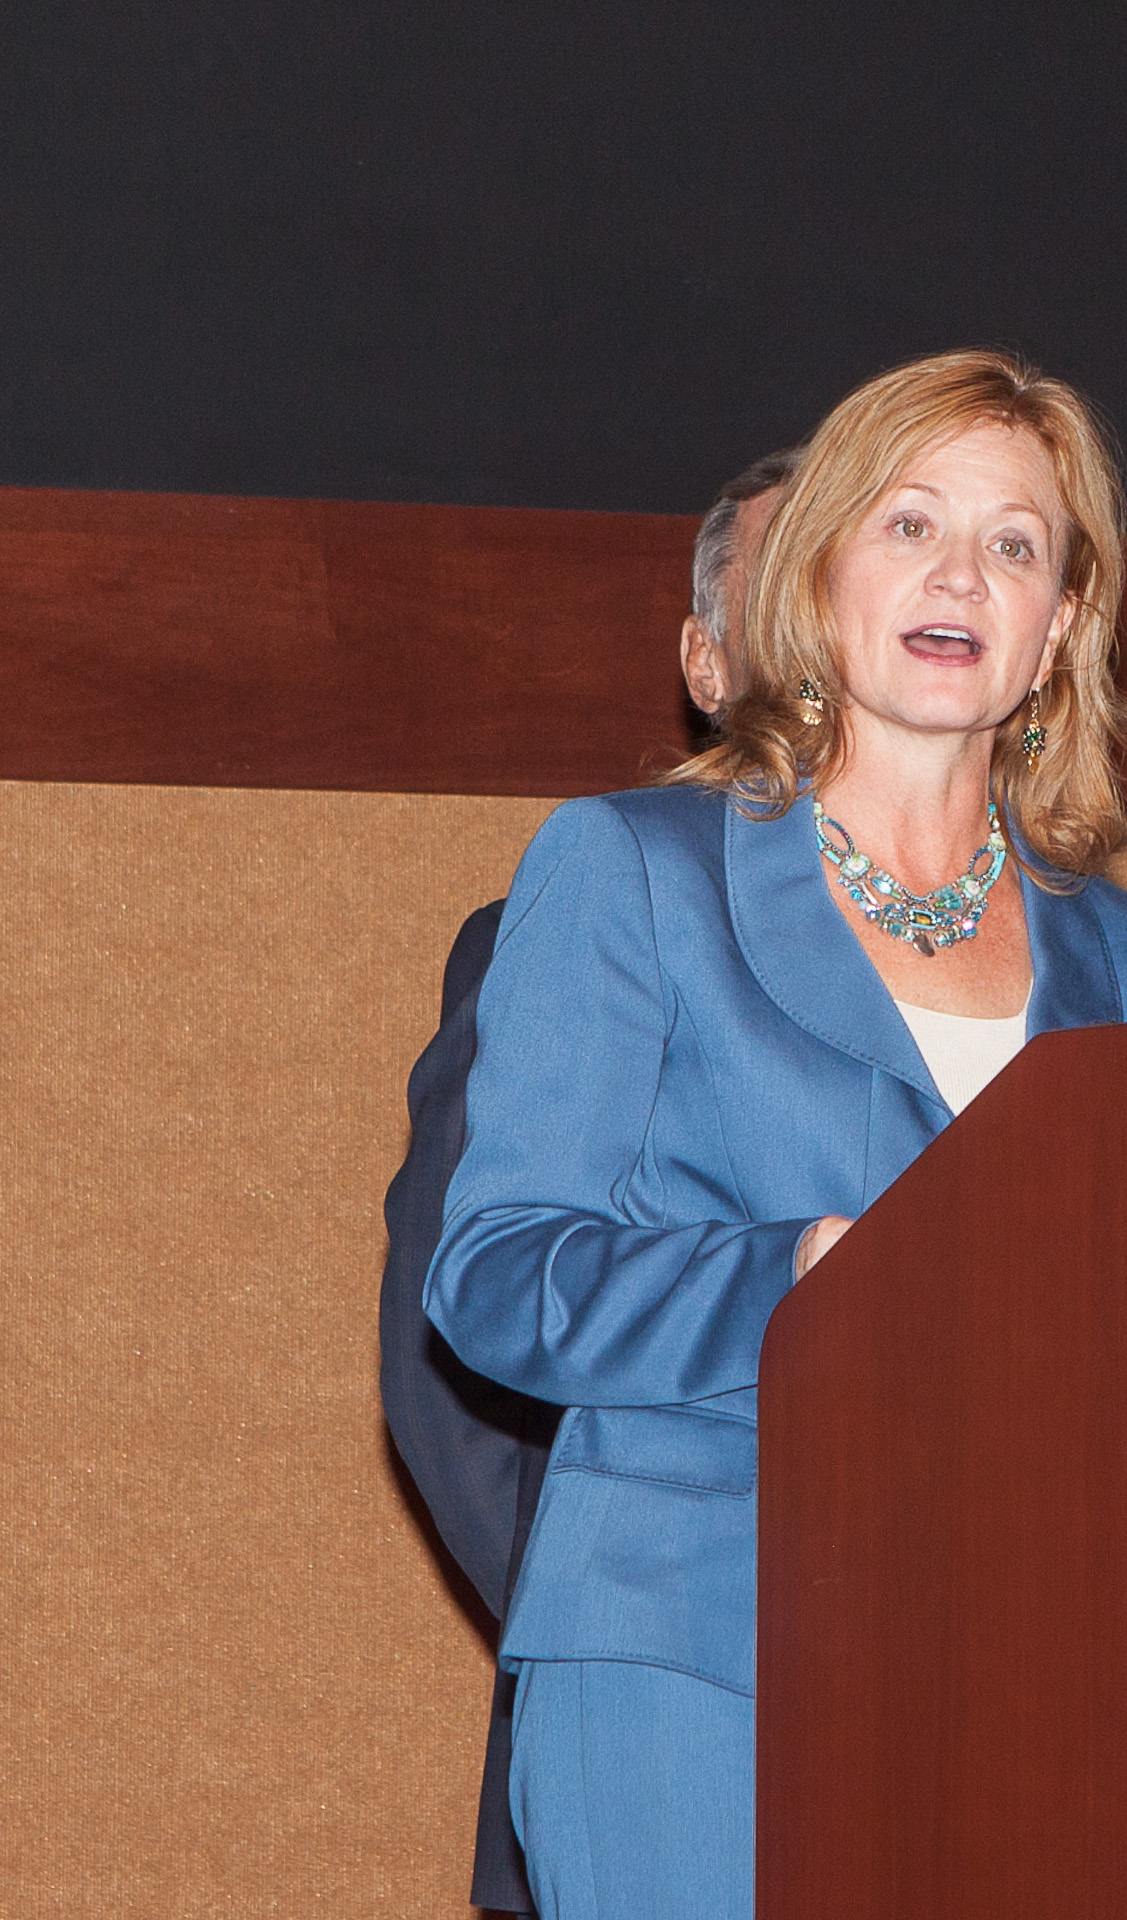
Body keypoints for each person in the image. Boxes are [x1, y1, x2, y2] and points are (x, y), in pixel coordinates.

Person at [424, 349, 1127, 1920]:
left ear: (1059, 627)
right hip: (694, 1656)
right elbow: (495, 1276)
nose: (959, 575)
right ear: (820, 572)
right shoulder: (635, 871)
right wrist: (801, 1276)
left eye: (1014, 545)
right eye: (910, 525)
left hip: (1032, 1671)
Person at [379, 444, 796, 1913]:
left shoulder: (1077, 953)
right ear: (703, 661)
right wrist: (614, 1617)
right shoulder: (582, 913)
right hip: (656, 1720)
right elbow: (447, 1379)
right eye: (787, 587)